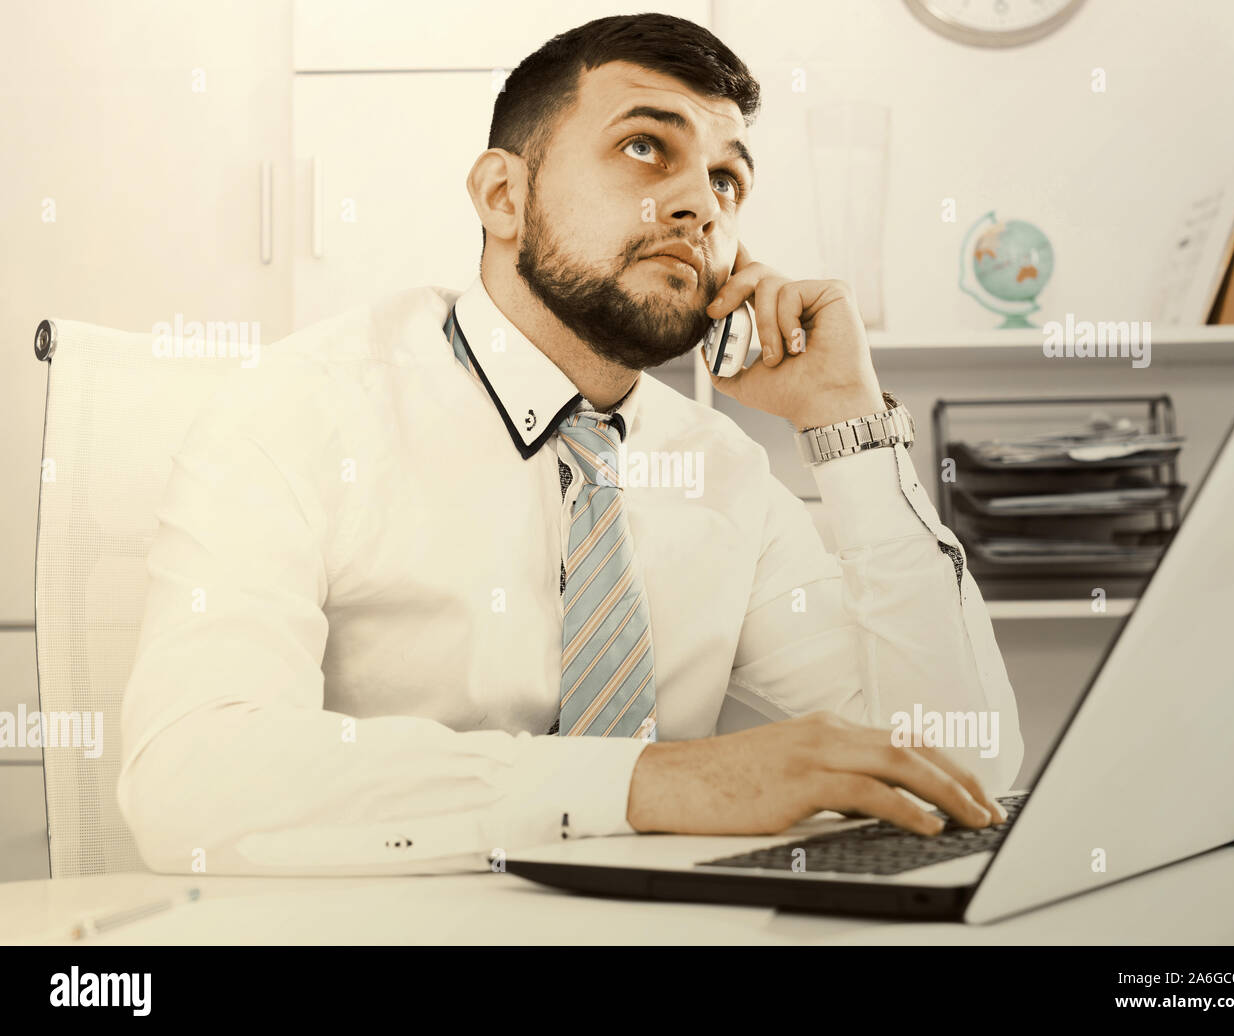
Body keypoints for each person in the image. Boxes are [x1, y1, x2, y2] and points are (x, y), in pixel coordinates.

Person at [118, 13, 1022, 876]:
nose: (699, 206)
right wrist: (647, 782)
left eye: (727, 181)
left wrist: (850, 427)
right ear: (503, 196)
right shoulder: (296, 413)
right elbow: (189, 779)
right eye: (644, 147)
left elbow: (960, 763)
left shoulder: (721, 473)